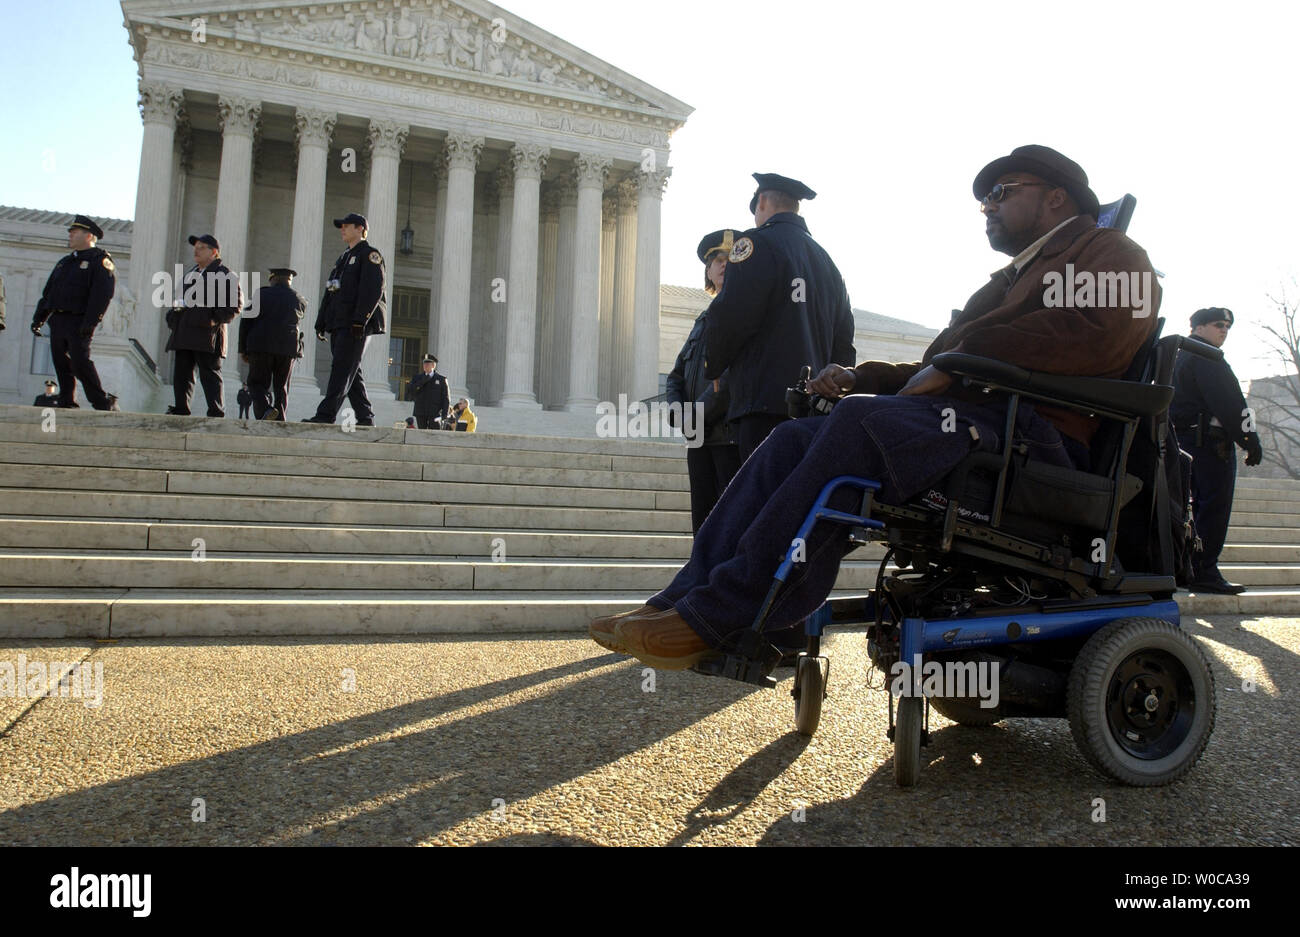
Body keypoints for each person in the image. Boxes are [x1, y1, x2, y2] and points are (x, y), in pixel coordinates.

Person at [590, 144, 1162, 670]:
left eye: (1001, 192)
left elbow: (1089, 338)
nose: (986, 207)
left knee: (858, 427)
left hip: (1036, 436)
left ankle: (723, 612)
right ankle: (684, 597)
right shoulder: (1009, 279)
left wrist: (960, 361)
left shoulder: (1111, 253)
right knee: (794, 436)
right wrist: (863, 376)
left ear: (1055, 196)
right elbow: (942, 365)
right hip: (974, 422)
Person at [704, 173, 856, 461]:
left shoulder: (754, 244)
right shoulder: (829, 263)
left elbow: (732, 316)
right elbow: (844, 343)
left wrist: (713, 365)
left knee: (761, 496)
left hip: (762, 404)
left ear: (761, 202)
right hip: (815, 410)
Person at [1171, 307, 1263, 594]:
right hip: (1211, 445)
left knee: (1186, 508)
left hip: (1180, 443)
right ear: (1198, 327)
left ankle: (1184, 568)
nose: (1224, 330)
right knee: (1213, 506)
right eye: (1218, 324)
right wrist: (1250, 440)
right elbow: (1232, 403)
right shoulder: (1209, 357)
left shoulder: (1176, 355)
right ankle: (1204, 570)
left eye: (1227, 326)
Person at [666, 229, 745, 532]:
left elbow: (731, 375)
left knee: (729, 522)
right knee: (703, 520)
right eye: (717, 260)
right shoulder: (704, 319)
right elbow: (676, 375)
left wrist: (694, 416)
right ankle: (700, 577)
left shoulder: (744, 312)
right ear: (708, 272)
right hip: (698, 436)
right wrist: (678, 411)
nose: (724, 264)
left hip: (728, 435)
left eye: (732, 259)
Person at [29, 215, 119, 411]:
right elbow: (49, 292)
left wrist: (91, 321)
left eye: (74, 232)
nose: (70, 235)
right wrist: (39, 318)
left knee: (80, 362)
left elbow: (102, 295)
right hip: (58, 319)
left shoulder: (100, 261)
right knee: (61, 363)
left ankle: (101, 401)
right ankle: (67, 401)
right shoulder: (65, 262)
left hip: (79, 320)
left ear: (89, 236)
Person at [304, 213, 386, 426]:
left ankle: (325, 414)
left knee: (342, 368)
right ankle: (365, 416)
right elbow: (331, 290)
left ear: (360, 228)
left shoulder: (369, 255)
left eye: (346, 226)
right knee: (351, 369)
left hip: (355, 324)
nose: (342, 229)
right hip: (339, 322)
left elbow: (373, 290)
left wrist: (361, 320)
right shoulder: (343, 259)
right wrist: (321, 321)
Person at [165, 234, 242, 417]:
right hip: (184, 331)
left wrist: (211, 319)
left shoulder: (225, 275)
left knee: (210, 373)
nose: (196, 250)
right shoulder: (191, 274)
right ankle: (181, 407)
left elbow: (234, 306)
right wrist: (173, 318)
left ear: (214, 252)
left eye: (201, 247)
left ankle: (216, 410)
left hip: (208, 334)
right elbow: (179, 300)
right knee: (182, 373)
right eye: (195, 247)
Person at [239, 267, 305, 421]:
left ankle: (266, 410)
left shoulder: (261, 295)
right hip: (287, 349)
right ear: (289, 281)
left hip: (261, 346)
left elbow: (246, 322)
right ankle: (280, 416)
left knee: (256, 383)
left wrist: (243, 349)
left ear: (273, 279)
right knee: (282, 386)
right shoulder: (299, 299)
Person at [407, 353, 449, 429]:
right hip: (421, 411)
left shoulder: (441, 379)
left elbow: (445, 398)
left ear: (433, 365)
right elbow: (411, 391)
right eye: (424, 364)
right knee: (422, 435)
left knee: (434, 435)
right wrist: (422, 381)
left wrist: (444, 414)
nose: (425, 366)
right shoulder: (417, 378)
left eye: (428, 364)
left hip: (435, 412)